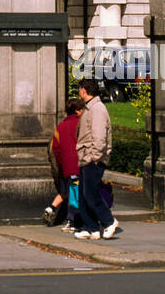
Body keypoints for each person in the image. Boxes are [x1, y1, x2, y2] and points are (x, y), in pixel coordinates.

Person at [74, 78, 118, 240]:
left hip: (92, 157)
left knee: (91, 194)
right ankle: (90, 227)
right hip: (86, 156)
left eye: (80, 90)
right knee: (84, 194)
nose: (79, 93)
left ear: (84, 91)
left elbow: (99, 136)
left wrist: (94, 156)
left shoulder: (97, 109)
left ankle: (109, 221)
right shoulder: (90, 108)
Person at [45, 98, 85, 231]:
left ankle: (51, 208)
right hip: (77, 165)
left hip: (65, 167)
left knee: (65, 191)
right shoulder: (80, 125)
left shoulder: (60, 127)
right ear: (77, 111)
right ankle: (73, 221)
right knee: (75, 195)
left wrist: (61, 162)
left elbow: (55, 148)